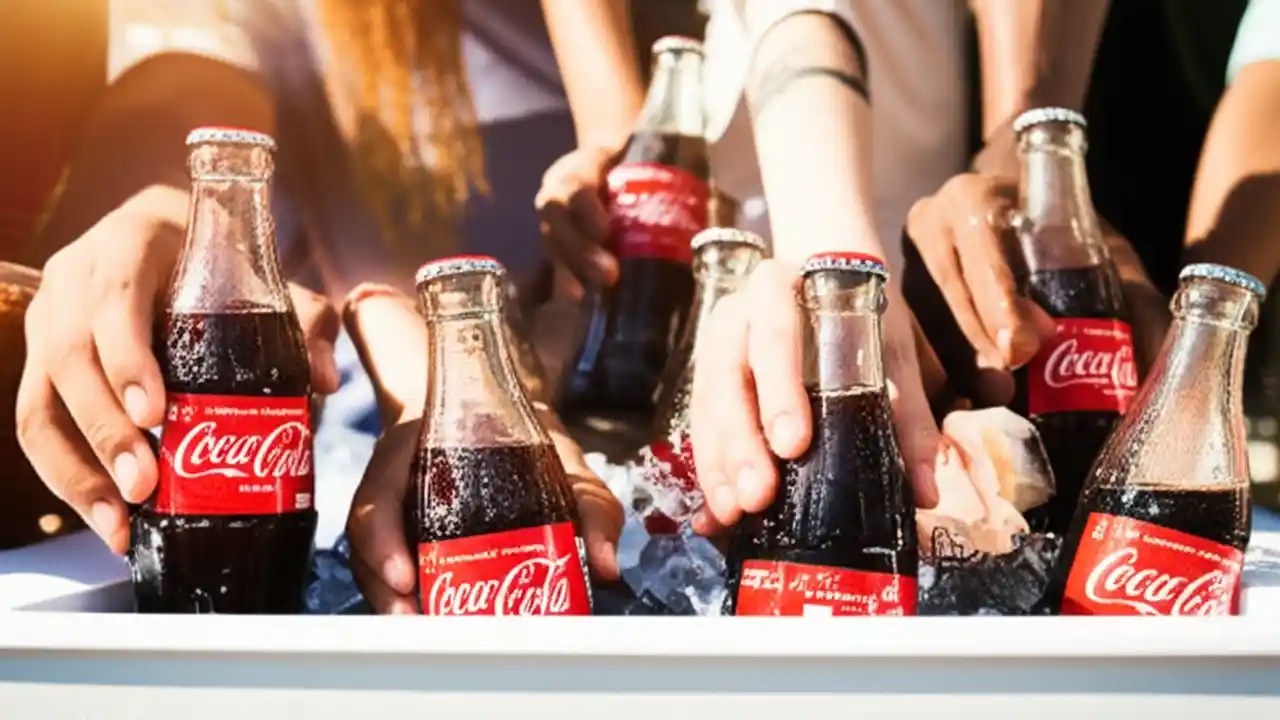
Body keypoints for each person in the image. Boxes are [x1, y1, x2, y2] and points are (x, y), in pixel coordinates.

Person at [12, 0, 623, 613]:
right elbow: (181, 88)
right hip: (401, 433)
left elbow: (640, 183)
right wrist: (165, 212)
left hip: (607, 446)